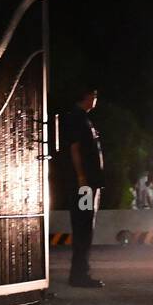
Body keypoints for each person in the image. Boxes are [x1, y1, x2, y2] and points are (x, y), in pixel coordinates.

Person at [59, 87, 105, 288]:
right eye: (94, 96)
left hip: (87, 184)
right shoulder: (76, 119)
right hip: (83, 186)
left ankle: (80, 272)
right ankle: (79, 275)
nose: (95, 99)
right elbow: (75, 149)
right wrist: (81, 177)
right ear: (85, 96)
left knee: (86, 226)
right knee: (83, 227)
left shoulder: (83, 118)